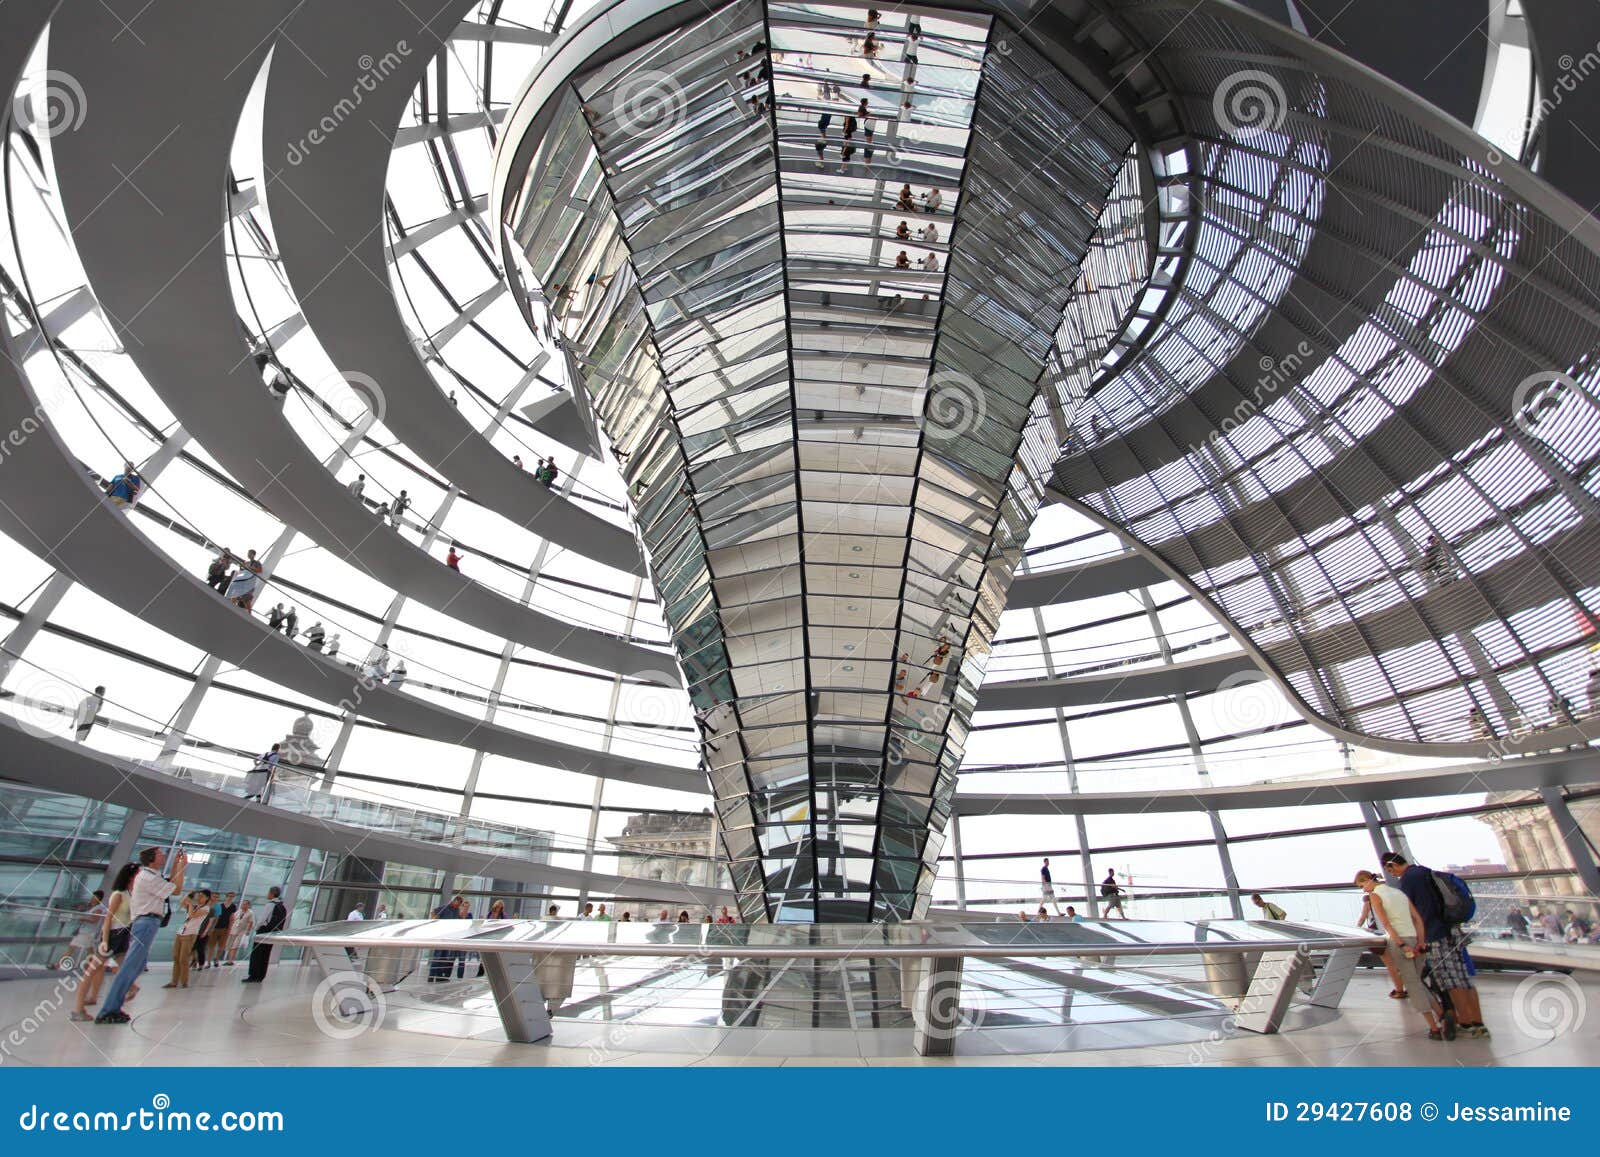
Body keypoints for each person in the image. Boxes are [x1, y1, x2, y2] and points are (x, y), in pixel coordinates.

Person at [1380, 851, 1488, 1037]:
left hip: (1434, 935)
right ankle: (1478, 1024)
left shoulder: (1408, 880)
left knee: (1450, 981)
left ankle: (1465, 1024)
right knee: (1464, 979)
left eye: (1391, 871)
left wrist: (1416, 940)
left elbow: (1413, 914)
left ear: (1392, 865)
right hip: (1452, 930)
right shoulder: (1425, 871)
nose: (1393, 874)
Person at [96, 845, 187, 1023]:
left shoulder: (153, 875)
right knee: (130, 967)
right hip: (146, 922)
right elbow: (176, 890)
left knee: (135, 967)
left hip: (148, 922)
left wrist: (177, 865)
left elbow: (172, 885)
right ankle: (108, 1011)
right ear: (151, 859)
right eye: (160, 854)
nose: (164, 856)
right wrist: (181, 866)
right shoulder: (147, 877)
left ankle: (114, 1007)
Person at [1355, 869, 1449, 1039]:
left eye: (1362, 885)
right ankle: (1442, 1014)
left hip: (1399, 942)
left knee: (1412, 985)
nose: (1363, 890)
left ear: (1369, 880)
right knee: (1417, 981)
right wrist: (1421, 942)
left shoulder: (1375, 896)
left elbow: (1386, 924)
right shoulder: (1399, 893)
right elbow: (1418, 919)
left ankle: (1434, 1027)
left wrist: (1401, 944)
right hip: (1415, 938)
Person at [241, 886, 287, 984]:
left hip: (264, 930)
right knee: (265, 953)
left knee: (257, 953)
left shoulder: (270, 905)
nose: (267, 894)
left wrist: (256, 928)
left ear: (272, 894)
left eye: (268, 892)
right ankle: (260, 976)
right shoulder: (281, 905)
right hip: (272, 932)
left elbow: (262, 919)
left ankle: (253, 975)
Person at [166, 891, 208, 988]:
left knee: (183, 959)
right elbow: (181, 903)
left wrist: (190, 904)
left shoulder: (205, 909)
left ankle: (184, 981)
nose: (199, 897)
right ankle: (174, 981)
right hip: (181, 932)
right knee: (176, 957)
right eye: (198, 895)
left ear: (206, 898)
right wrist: (189, 895)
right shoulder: (194, 906)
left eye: (202, 896)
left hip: (190, 934)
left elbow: (192, 915)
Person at [223, 899, 253, 965]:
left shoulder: (250, 913)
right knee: (230, 945)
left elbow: (251, 922)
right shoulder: (238, 911)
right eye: (243, 904)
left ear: (248, 905)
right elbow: (233, 919)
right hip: (233, 930)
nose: (243, 905)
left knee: (235, 946)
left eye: (245, 904)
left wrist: (248, 931)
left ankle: (230, 961)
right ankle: (229, 960)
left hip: (241, 932)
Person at [210, 891, 236, 964]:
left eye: (232, 896)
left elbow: (232, 918)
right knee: (212, 944)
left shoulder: (233, 906)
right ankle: (210, 960)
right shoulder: (220, 905)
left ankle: (216, 959)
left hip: (225, 928)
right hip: (216, 927)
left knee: (221, 945)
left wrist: (229, 928)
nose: (230, 898)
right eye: (229, 896)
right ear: (226, 896)